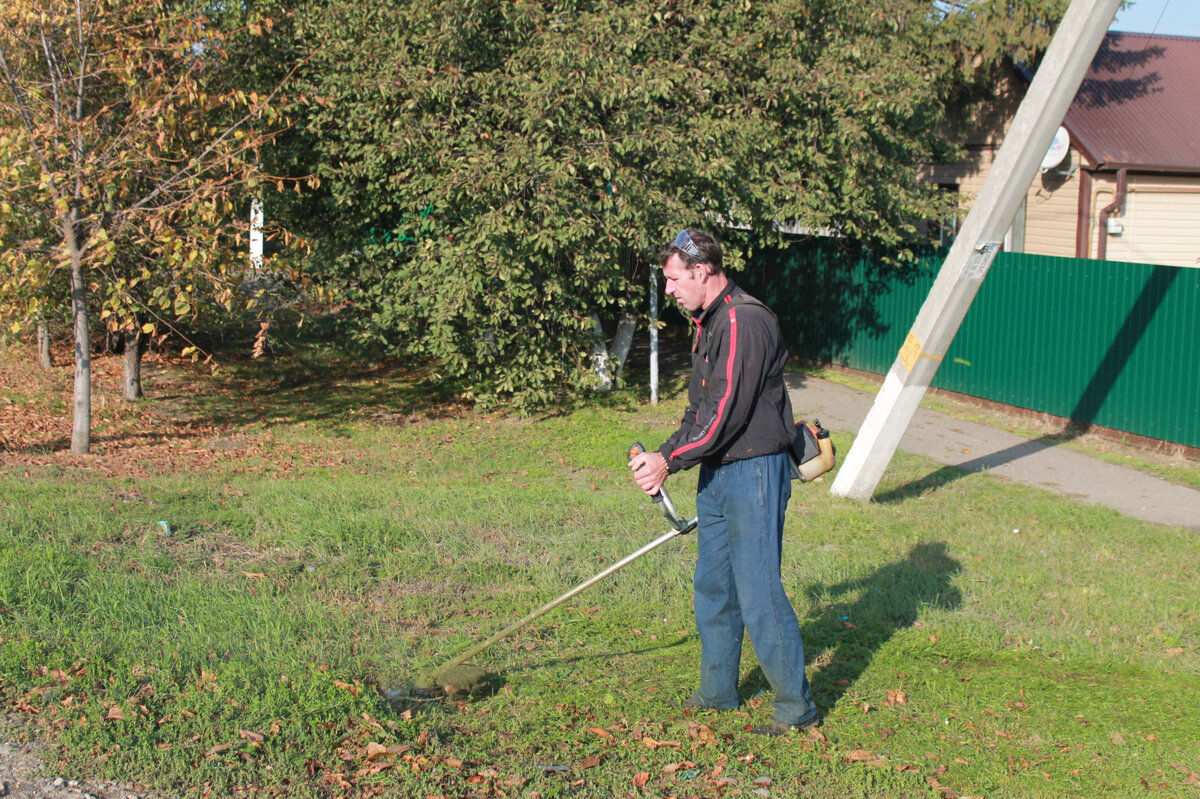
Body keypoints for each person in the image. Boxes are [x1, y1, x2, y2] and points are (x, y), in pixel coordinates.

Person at [629, 229, 818, 736]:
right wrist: (663, 453)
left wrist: (669, 462)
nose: (668, 289)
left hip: (755, 471)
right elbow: (700, 410)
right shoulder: (707, 322)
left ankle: (793, 707)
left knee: (758, 591)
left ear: (702, 270)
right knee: (714, 585)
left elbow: (725, 416)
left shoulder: (743, 320)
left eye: (673, 279)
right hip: (717, 471)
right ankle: (718, 691)